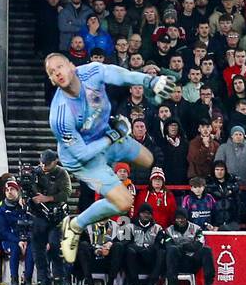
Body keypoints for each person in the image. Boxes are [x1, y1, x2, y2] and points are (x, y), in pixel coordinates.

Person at [44, 52, 177, 267]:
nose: (57, 72)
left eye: (60, 66)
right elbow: (82, 154)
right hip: (85, 160)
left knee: (148, 158)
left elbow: (119, 75)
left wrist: (149, 81)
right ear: (51, 80)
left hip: (108, 135)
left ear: (71, 65)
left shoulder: (91, 71)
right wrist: (114, 135)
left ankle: (111, 178)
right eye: (52, 72)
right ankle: (76, 224)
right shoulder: (60, 115)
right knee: (124, 202)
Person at [23, 149, 72, 285]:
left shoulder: (62, 173)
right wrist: (26, 197)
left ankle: (59, 279)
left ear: (55, 161)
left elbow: (66, 193)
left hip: (56, 216)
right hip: (38, 216)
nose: (44, 166)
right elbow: (25, 188)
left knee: (55, 246)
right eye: (42, 163)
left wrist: (47, 198)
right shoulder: (35, 172)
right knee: (38, 250)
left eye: (47, 164)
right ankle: (42, 280)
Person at [161, 209, 216, 285]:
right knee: (172, 250)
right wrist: (187, 246)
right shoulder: (169, 231)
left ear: (186, 219)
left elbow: (199, 244)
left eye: (182, 218)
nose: (180, 220)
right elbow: (168, 245)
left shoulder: (197, 229)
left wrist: (182, 247)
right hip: (176, 262)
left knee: (206, 250)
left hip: (192, 261)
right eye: (178, 218)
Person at [0, 179, 33, 285]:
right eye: (7, 190)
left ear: (18, 191)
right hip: (11, 239)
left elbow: (33, 224)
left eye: (12, 189)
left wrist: (27, 240)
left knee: (31, 250)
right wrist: (18, 241)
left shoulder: (27, 206)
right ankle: (14, 279)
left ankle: (28, 279)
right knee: (15, 249)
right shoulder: (2, 209)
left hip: (29, 238)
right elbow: (3, 231)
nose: (9, 192)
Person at [126, 203, 164, 285]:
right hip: (136, 258)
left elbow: (159, 244)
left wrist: (149, 250)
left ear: (151, 215)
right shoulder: (130, 226)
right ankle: (135, 284)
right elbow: (127, 243)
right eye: (144, 213)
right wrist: (141, 249)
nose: (146, 215)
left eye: (148, 213)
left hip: (150, 259)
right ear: (139, 214)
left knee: (162, 252)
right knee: (129, 251)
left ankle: (151, 283)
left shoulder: (158, 228)